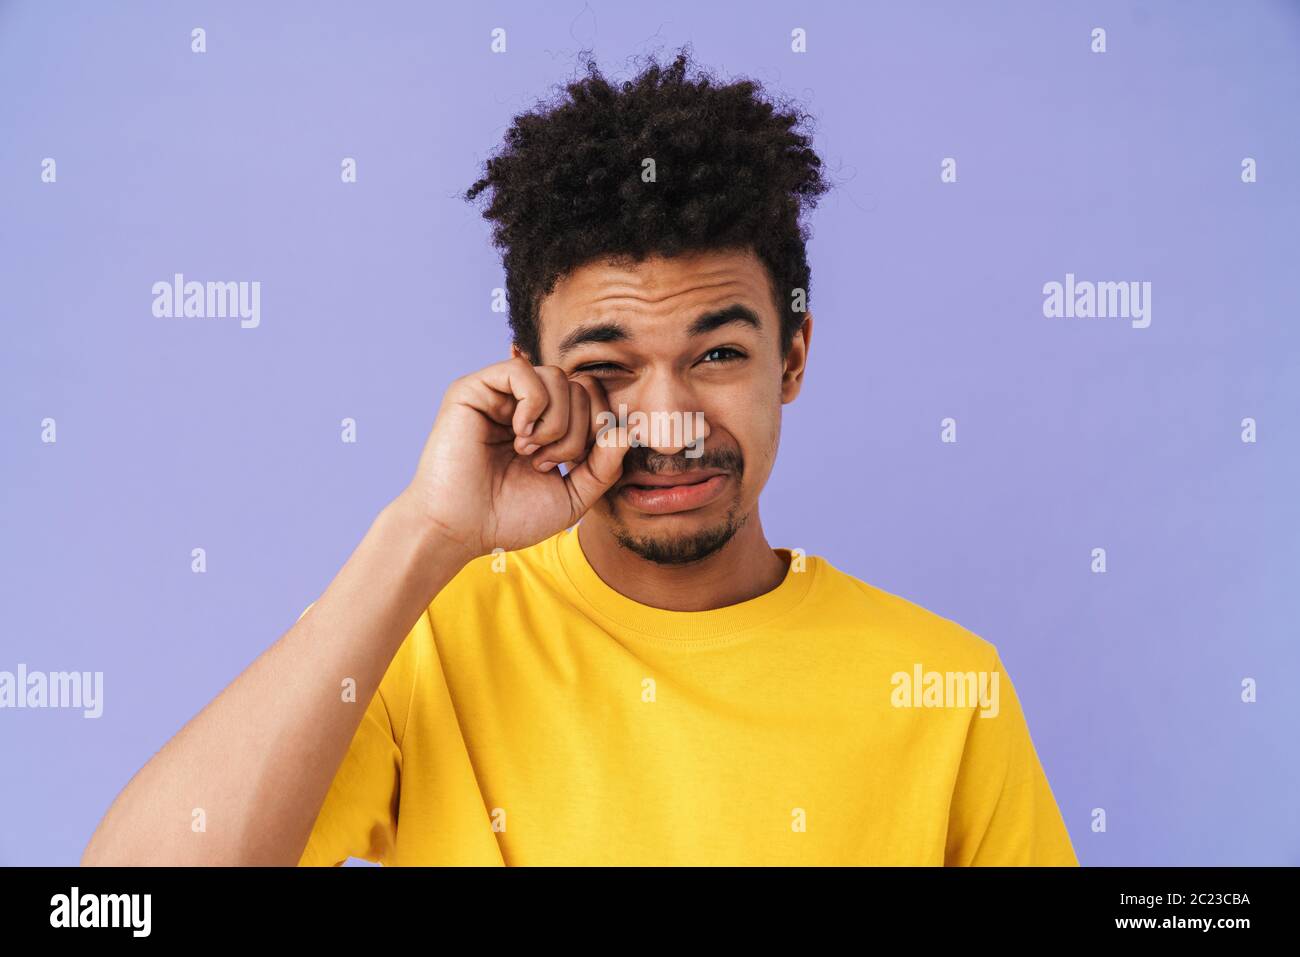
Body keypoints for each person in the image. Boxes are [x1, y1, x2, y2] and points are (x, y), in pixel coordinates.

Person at [82, 49, 1077, 867]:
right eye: (606, 369)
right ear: (529, 379)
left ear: (795, 358)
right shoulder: (417, 641)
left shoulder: (945, 683)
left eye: (717, 354)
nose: (667, 421)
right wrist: (425, 533)